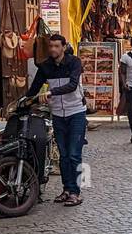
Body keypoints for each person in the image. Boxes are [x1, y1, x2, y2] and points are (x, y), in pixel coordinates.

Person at [26, 33, 87, 207]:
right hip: (58, 115)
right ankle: (66, 189)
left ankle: (75, 193)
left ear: (63, 47)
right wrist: (23, 101)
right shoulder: (45, 67)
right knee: (63, 155)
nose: (53, 49)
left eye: (56, 46)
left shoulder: (74, 62)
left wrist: (51, 93)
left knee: (74, 154)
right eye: (51, 46)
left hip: (76, 112)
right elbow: (34, 88)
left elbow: (72, 85)